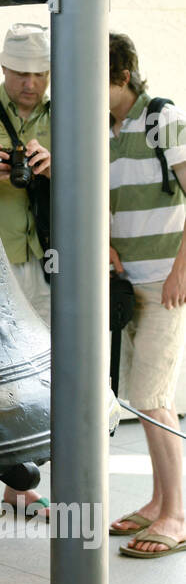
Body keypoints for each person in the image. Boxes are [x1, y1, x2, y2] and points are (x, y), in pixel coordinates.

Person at [0, 22, 52, 533]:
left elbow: (91, 179)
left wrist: (54, 165)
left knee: (38, 373)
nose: (30, 84)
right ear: (2, 68)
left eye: (40, 74)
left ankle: (22, 487)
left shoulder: (66, 114)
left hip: (44, 259)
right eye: (21, 73)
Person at [108, 33, 186, 557]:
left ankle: (176, 514)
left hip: (164, 279)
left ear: (123, 75)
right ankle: (157, 502)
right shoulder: (105, 130)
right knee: (139, 396)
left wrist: (182, 269)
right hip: (125, 282)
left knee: (152, 399)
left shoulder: (165, 118)